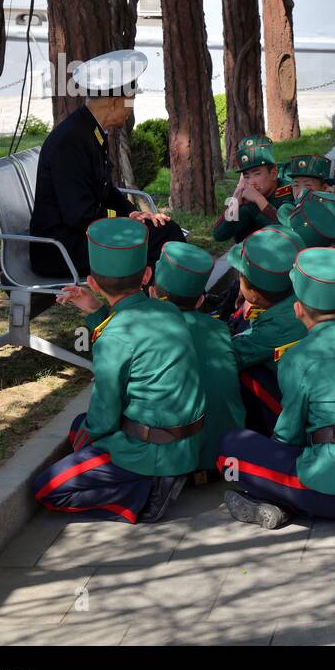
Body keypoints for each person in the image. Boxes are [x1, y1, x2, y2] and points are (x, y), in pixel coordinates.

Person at [33, 218, 205, 523]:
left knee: (48, 488)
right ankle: (145, 478)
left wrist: (95, 438)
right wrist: (96, 311)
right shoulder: (168, 310)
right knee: (79, 425)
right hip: (184, 441)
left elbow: (103, 418)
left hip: (149, 451)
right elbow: (134, 332)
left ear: (94, 283)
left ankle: (142, 494)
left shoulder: (114, 338)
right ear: (147, 275)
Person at [216, 247, 335, 530]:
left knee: (229, 449)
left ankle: (275, 498)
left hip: (331, 491)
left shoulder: (297, 357)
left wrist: (273, 458)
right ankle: (284, 500)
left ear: (298, 308)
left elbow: (288, 435)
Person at [29, 50, 183, 277]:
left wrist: (132, 214)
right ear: (114, 102)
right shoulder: (71, 140)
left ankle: (162, 302)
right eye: (130, 101)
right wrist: (123, 221)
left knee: (164, 231)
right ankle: (151, 305)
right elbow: (78, 214)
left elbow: (105, 189)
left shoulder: (89, 131)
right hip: (62, 250)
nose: (130, 109)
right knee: (163, 236)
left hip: (81, 238)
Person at [149, 241, 245, 479]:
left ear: (152, 293)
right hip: (225, 458)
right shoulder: (219, 329)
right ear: (201, 301)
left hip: (174, 462)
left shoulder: (146, 331)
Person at [227, 227, 307, 433]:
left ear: (253, 294)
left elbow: (230, 357)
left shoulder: (276, 327)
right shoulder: (302, 296)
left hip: (293, 414)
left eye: (240, 276)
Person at [212, 137, 294, 244]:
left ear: (273, 174)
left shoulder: (289, 192)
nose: (251, 182)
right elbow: (219, 235)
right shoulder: (246, 198)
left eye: (257, 174)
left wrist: (259, 200)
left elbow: (288, 235)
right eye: (246, 176)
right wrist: (234, 201)